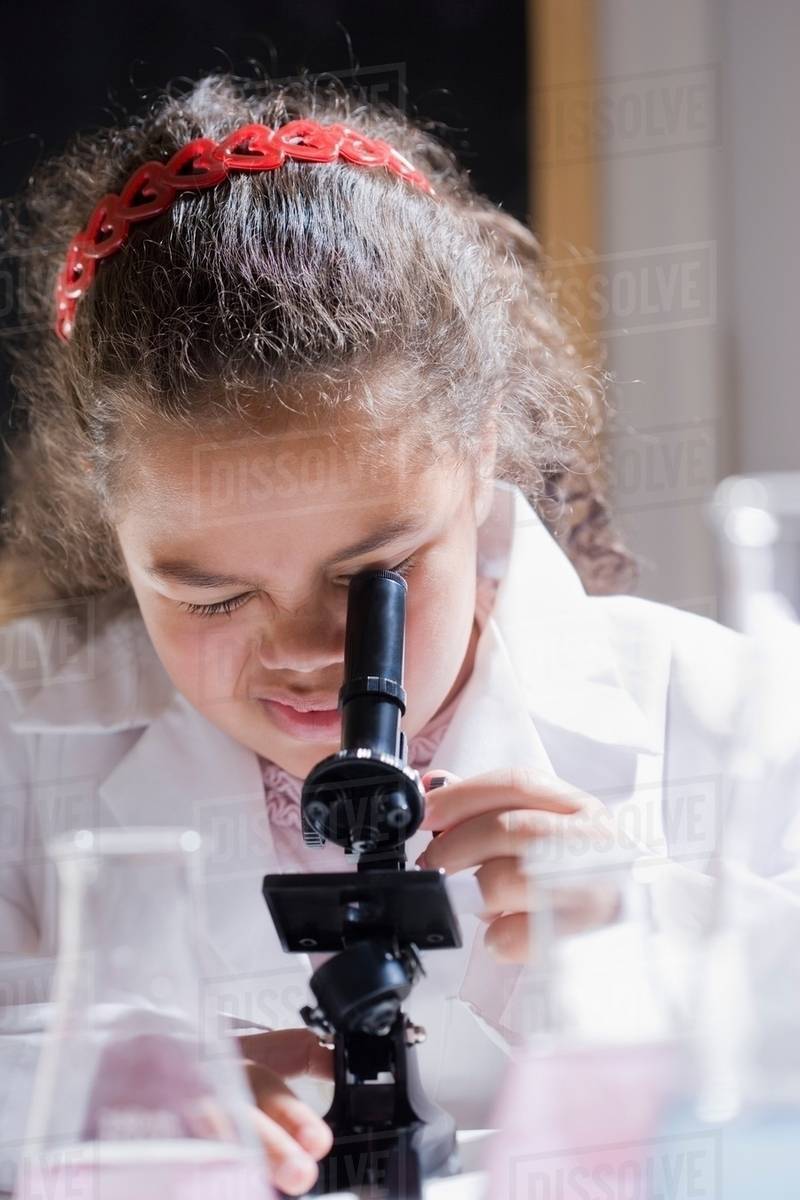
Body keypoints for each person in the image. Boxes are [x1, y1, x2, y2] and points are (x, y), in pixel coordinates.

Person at [0, 73, 797, 1197]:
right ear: (111, 525)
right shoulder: (21, 758)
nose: (305, 653)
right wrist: (89, 1090)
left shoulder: (741, 714)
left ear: (477, 449)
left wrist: (638, 943)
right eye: (213, 598)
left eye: (371, 578)